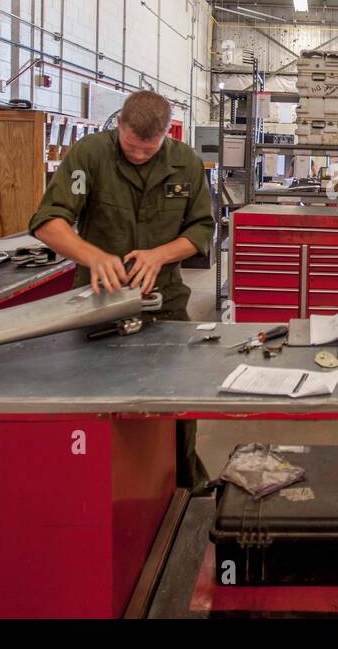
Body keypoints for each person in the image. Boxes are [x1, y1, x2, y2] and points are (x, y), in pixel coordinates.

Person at [29, 90, 214, 491]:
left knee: (177, 400)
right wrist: (93, 257)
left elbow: (201, 229)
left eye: (150, 149)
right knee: (96, 400)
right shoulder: (89, 154)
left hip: (163, 302)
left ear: (167, 134)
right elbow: (48, 221)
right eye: (131, 147)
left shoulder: (187, 163)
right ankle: (97, 488)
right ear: (119, 126)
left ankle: (182, 484)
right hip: (98, 303)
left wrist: (160, 255)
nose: (140, 155)